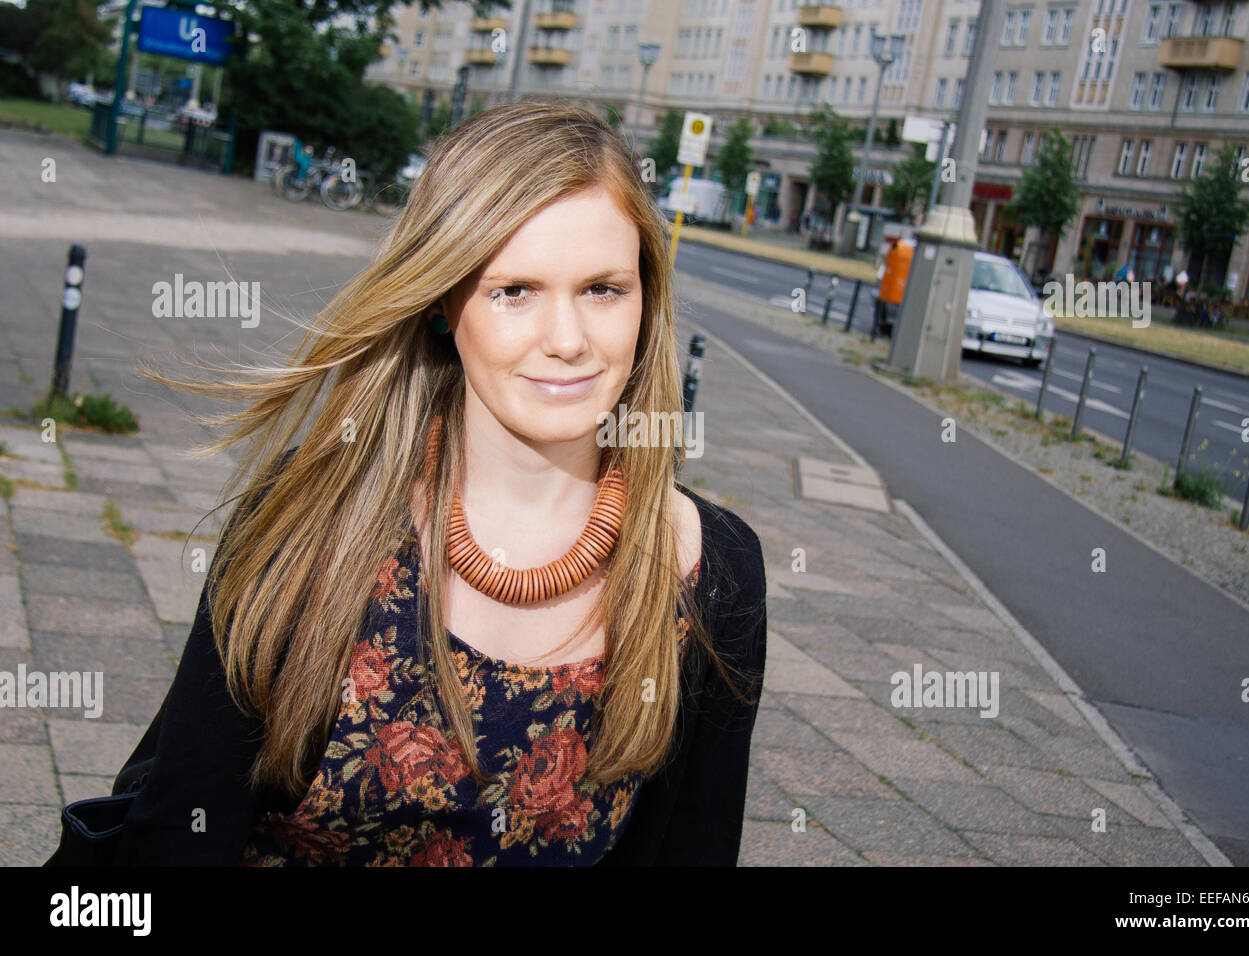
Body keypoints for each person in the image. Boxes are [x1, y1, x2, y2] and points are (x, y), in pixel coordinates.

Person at [112, 102, 767, 866]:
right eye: (513, 290)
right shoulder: (306, 525)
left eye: (603, 289)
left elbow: (693, 850)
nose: (567, 341)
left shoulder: (712, 572)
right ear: (440, 303)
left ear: (647, 300)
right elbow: (173, 840)